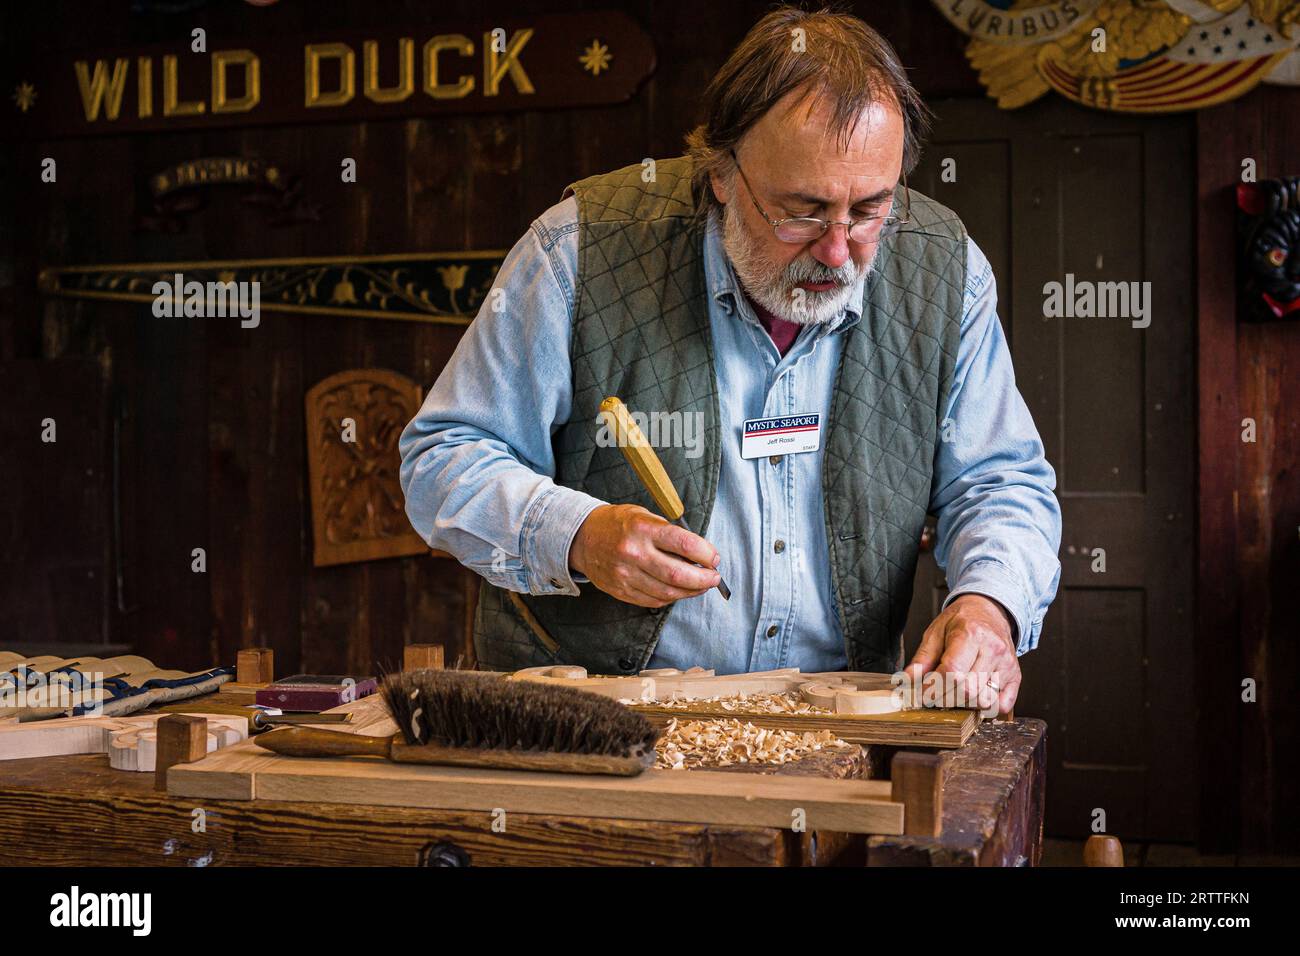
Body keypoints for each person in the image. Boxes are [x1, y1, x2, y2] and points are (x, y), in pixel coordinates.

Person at [399, 6, 1061, 715]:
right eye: (800, 211)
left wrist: (990, 605)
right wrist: (579, 536)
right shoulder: (579, 252)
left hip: (840, 721)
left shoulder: (946, 272)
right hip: (599, 724)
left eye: (869, 211)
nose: (838, 252)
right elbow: (443, 459)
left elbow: (999, 483)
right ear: (720, 173)